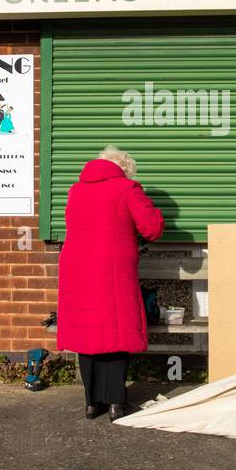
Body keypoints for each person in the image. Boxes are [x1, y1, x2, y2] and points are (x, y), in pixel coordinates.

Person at [56, 146, 165, 420]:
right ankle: (116, 403)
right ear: (124, 169)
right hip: (112, 267)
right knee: (116, 330)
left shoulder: (75, 190)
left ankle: (92, 403)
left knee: (87, 332)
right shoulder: (127, 189)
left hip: (76, 267)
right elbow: (152, 228)